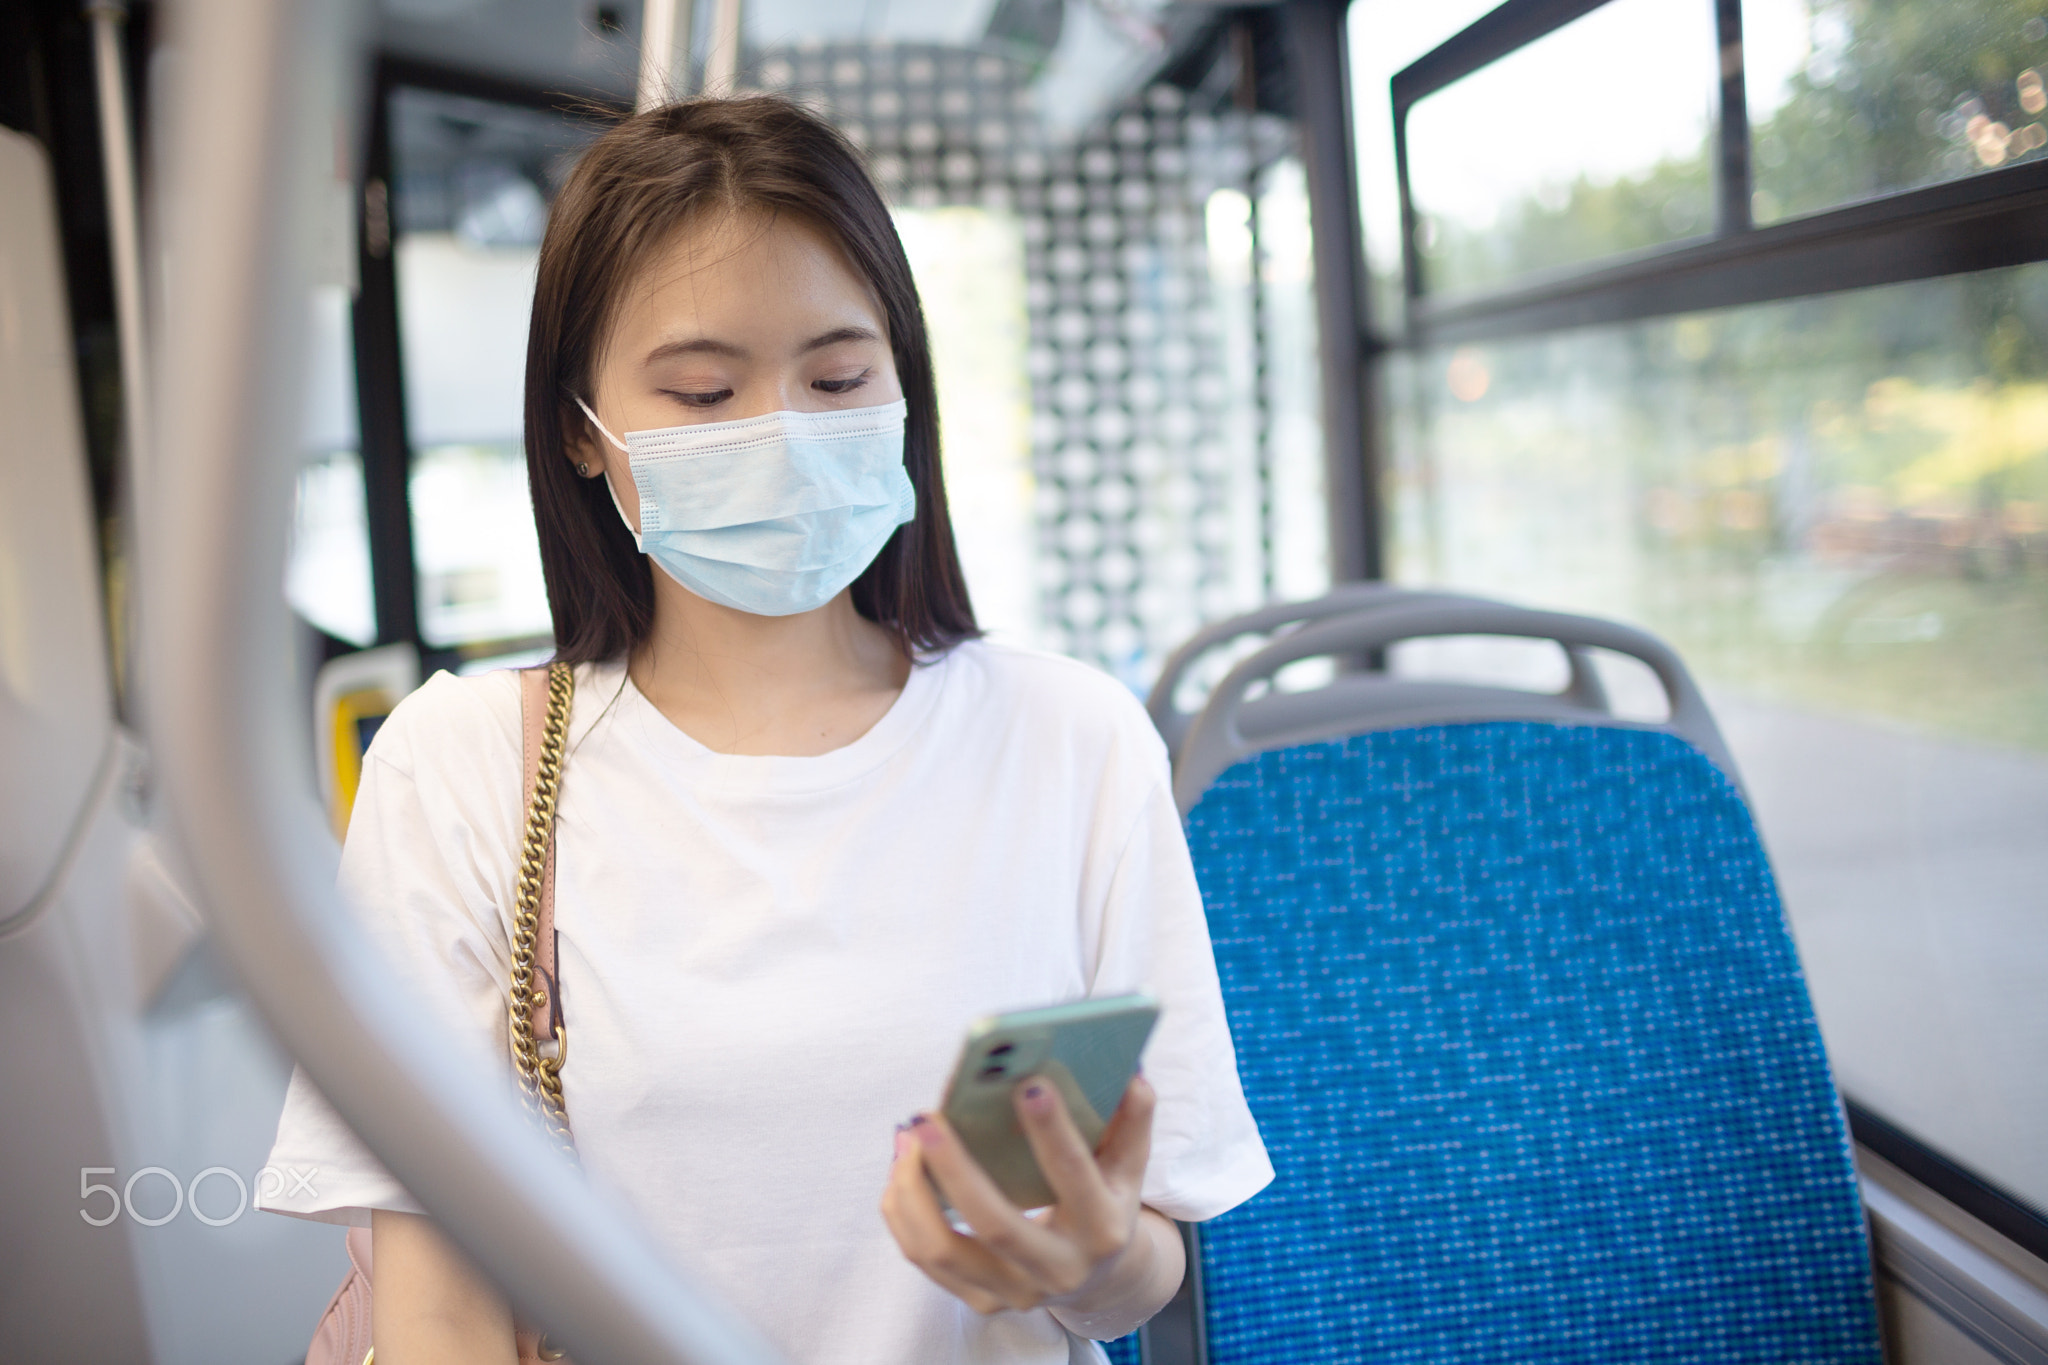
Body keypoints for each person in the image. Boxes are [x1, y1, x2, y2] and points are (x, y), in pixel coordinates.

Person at [258, 95, 1271, 1365]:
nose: (782, 433)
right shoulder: (458, 767)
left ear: (904, 386)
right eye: (700, 391)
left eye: (837, 378)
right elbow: (439, 1313)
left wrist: (1095, 1256)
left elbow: (1141, 1271)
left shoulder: (1071, 740)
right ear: (582, 431)